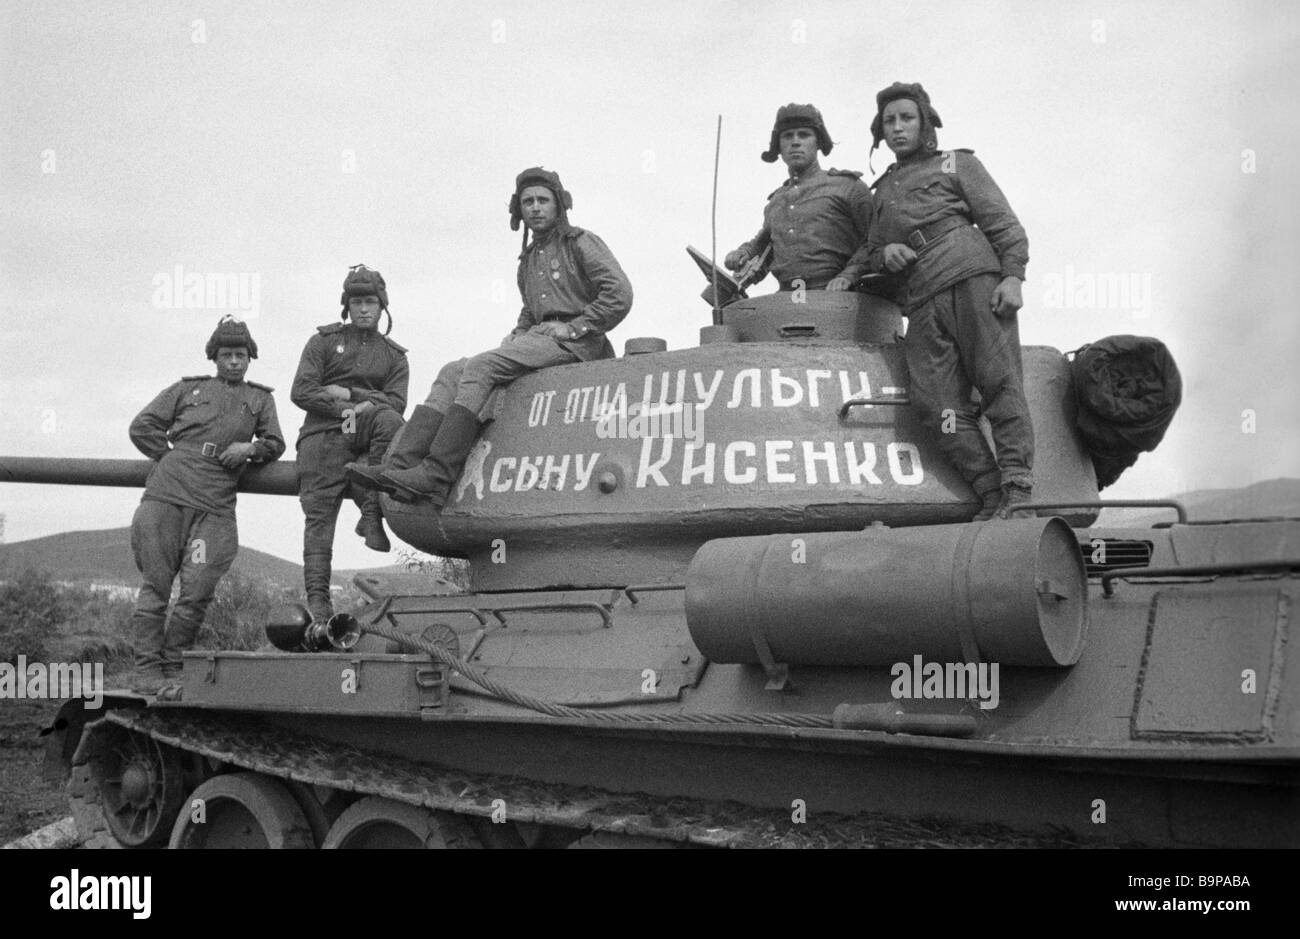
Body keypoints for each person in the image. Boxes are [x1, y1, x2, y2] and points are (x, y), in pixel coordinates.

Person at [347, 167, 632, 507]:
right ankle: (399, 467)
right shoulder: (528, 261)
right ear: (519, 210)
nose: (536, 208)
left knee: (481, 367)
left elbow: (619, 294)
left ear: (558, 205)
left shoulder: (581, 243)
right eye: (528, 202)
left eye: (543, 200)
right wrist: (518, 335)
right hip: (541, 339)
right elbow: (531, 312)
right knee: (454, 369)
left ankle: (436, 476)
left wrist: (575, 327)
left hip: (578, 344)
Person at [861, 82, 1033, 520]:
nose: (897, 128)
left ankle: (1018, 491)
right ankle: (990, 490)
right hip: (920, 295)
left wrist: (1012, 276)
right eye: (889, 122)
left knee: (999, 381)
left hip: (970, 276)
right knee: (935, 404)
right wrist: (886, 254)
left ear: (924, 122)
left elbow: (1002, 221)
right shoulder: (881, 191)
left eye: (906, 118)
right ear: (880, 132)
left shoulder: (956, 162)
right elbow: (870, 252)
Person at [126, 316, 284, 692]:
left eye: (241, 355)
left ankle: (175, 665)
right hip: (167, 496)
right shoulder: (187, 390)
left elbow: (276, 443)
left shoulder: (259, 399)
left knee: (198, 588)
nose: (234, 361)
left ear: (250, 359)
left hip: (214, 505)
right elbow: (142, 425)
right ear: (215, 357)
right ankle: (147, 671)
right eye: (227, 354)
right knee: (157, 584)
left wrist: (250, 448)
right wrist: (167, 457)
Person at [290, 264, 408, 624]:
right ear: (347, 304)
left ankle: (370, 513)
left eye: (371, 301)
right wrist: (349, 407)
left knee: (389, 420)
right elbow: (302, 391)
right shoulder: (323, 342)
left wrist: (351, 392)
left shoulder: (394, 356)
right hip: (324, 435)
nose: (363, 309)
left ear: (382, 304)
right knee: (320, 519)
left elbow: (397, 404)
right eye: (356, 301)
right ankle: (319, 604)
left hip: (365, 432)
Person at [723, 103, 875, 292]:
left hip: (838, 296)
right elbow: (763, 246)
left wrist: (848, 275)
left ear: (818, 141)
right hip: (790, 295)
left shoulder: (848, 187)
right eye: (787, 136)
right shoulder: (776, 201)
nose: (795, 142)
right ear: (778, 146)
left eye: (804, 135)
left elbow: (876, 239)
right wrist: (743, 253)